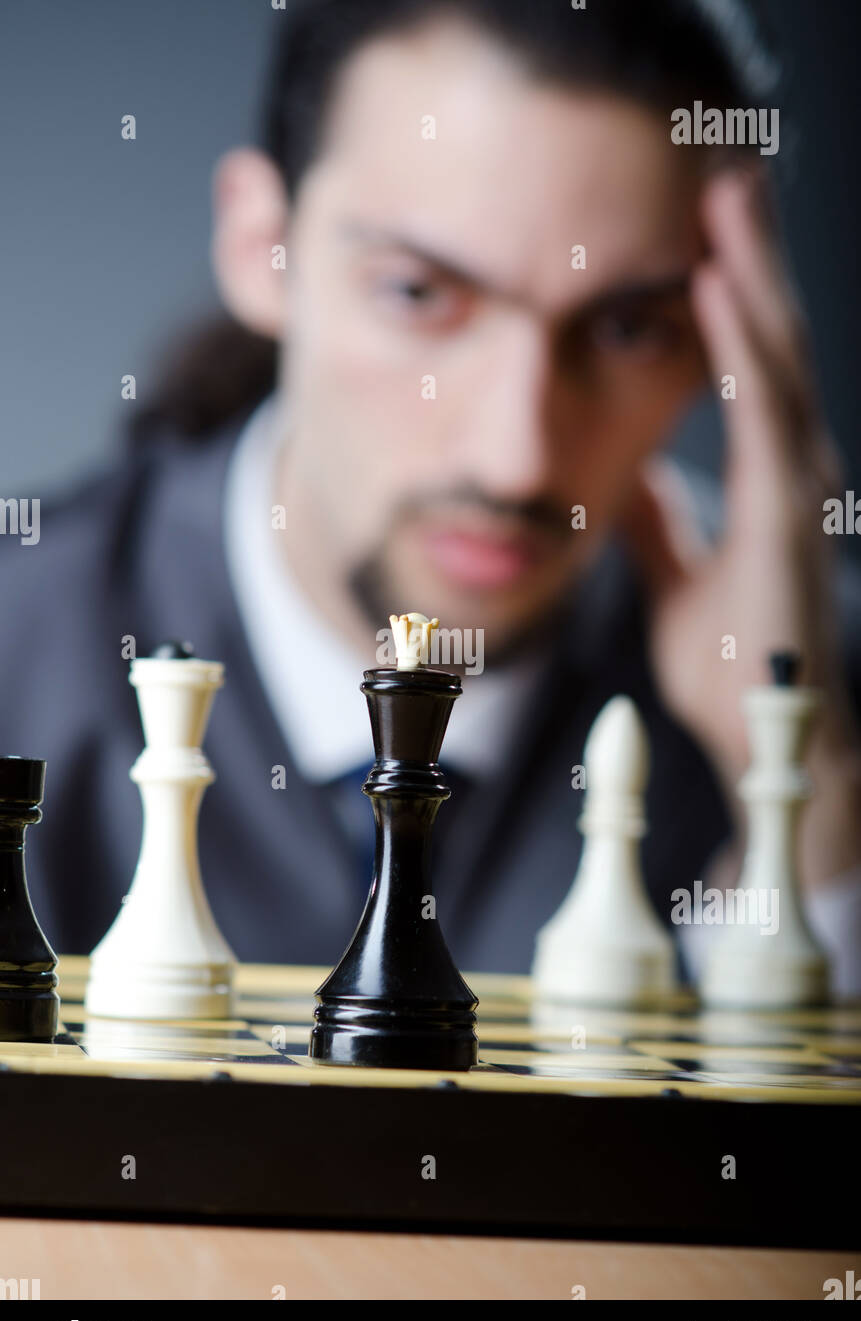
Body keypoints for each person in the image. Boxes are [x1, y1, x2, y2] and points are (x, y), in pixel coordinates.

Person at [2, 0, 860, 988]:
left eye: (628, 328)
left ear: (734, 335)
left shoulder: (826, 695)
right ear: (260, 246)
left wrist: (804, 783)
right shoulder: (14, 648)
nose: (516, 461)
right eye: (419, 293)